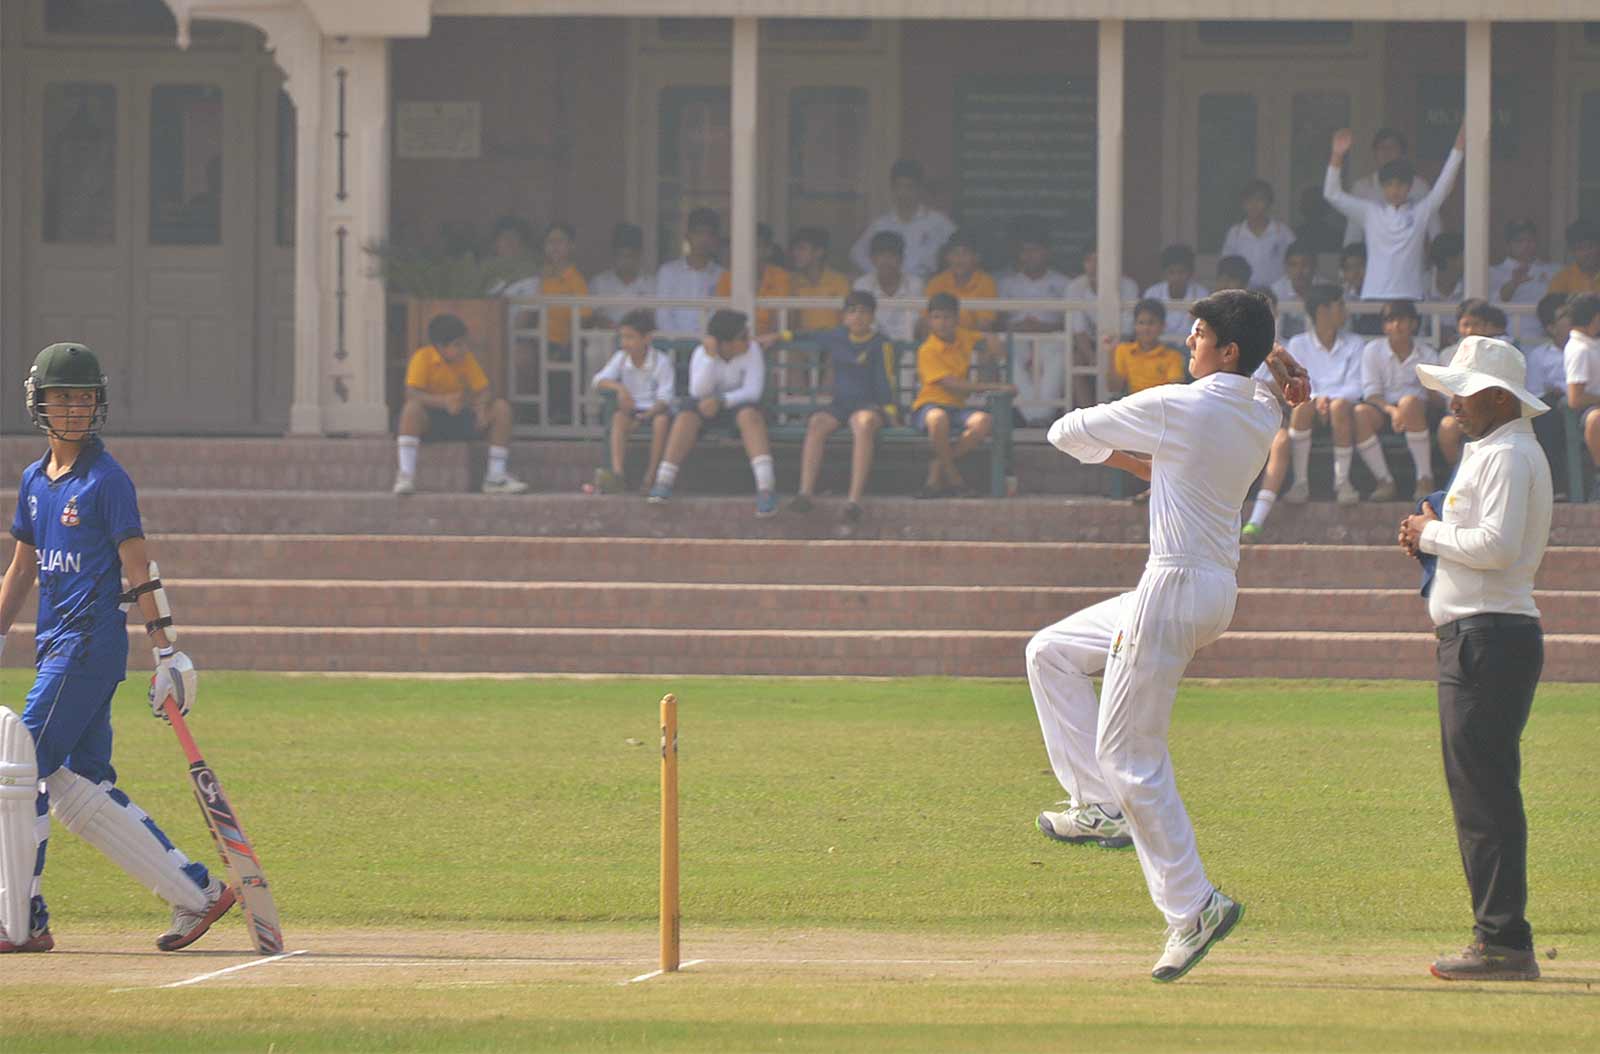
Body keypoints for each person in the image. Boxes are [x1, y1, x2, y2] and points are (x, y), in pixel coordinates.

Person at [1027, 290, 1309, 982]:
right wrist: (1290, 382)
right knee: (1051, 652)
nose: (1189, 341)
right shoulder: (1260, 406)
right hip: (1213, 588)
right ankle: (1095, 807)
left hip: (1174, 587)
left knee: (1130, 754)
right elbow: (1290, 395)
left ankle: (1194, 906)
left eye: (1200, 333)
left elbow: (1065, 431)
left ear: (1228, 350)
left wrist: (1133, 460)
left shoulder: (1179, 406)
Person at [0, 343, 236, 955]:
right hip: (55, 646)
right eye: (62, 398)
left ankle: (20, 918)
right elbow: (20, 572)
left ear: (98, 405)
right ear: (40, 404)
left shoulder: (107, 480)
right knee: (78, 785)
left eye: (84, 398)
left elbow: (140, 567)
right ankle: (199, 893)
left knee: (16, 765)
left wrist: (168, 652)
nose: (74, 410)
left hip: (89, 645)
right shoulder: (32, 482)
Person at [1399, 336, 1553, 981]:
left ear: (1497, 396)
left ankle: (1503, 942)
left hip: (1487, 638)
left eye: (1463, 392)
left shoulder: (1512, 454)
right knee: (1481, 791)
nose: (1453, 403)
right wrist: (1435, 534)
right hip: (1481, 635)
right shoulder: (1495, 450)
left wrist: (1427, 533)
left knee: (1484, 795)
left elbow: (1494, 546)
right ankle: (1500, 937)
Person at [648, 310, 779, 518]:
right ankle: (663, 481)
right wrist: (711, 359)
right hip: (706, 407)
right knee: (685, 417)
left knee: (750, 417)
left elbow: (753, 391)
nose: (748, 340)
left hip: (739, 406)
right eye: (742, 337)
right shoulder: (702, 353)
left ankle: (766, 488)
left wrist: (722, 400)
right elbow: (697, 391)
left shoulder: (753, 350)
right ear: (724, 343)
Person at [786, 292, 898, 523]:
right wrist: (778, 335)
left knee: (862, 424)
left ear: (872, 317)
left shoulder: (880, 344)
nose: (858, 317)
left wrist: (891, 412)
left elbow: (887, 381)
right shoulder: (836, 336)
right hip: (841, 405)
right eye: (852, 311)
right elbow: (806, 334)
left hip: (870, 406)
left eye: (864, 312)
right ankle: (805, 493)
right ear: (844, 316)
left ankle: (853, 501)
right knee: (817, 422)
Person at [1323, 126, 1464, 301]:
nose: (1395, 190)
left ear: (1410, 187)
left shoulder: (1420, 212)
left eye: (1400, 185)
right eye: (1389, 185)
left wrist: (1459, 147)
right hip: (1373, 296)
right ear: (1382, 188)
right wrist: (1337, 156)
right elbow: (1332, 194)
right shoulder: (1370, 212)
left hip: (1410, 297)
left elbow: (1444, 186)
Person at [394, 314, 528, 496]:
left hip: (461, 418)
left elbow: (485, 389)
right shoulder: (422, 358)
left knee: (501, 408)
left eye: (465, 344)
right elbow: (411, 393)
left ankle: (496, 477)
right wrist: (442, 402)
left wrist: (481, 406)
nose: (463, 349)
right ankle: (406, 476)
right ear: (441, 347)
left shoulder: (466, 359)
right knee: (411, 409)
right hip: (431, 421)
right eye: (457, 345)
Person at [911, 292, 1014, 497]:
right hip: (929, 406)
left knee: (983, 421)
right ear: (929, 320)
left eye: (947, 317)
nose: (942, 323)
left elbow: (997, 349)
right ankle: (954, 477)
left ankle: (937, 469)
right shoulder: (927, 350)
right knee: (938, 418)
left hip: (957, 408)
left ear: (957, 319)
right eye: (936, 317)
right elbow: (952, 385)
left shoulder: (963, 336)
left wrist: (990, 339)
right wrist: (994, 387)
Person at [1282, 283, 1377, 503]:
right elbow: (1296, 382)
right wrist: (1317, 399)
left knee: (1339, 406)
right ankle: (1300, 483)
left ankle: (1342, 482)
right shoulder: (1298, 344)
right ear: (1322, 311)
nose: (1345, 310)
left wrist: (1329, 399)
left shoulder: (1355, 343)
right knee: (1302, 405)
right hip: (1309, 403)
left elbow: (1356, 386)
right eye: (1340, 305)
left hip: (1342, 407)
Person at [1360, 300, 1441, 499]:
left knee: (1409, 403)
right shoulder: (1372, 351)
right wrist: (1392, 411)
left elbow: (1436, 398)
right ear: (1384, 326)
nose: (1396, 325)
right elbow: (1371, 393)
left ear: (1413, 324)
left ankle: (1424, 478)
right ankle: (1384, 481)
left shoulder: (1427, 354)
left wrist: (1426, 392)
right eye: (1390, 320)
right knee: (1359, 414)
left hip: (1419, 413)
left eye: (1402, 320)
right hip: (1384, 410)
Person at [590, 309, 675, 495]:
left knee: (661, 422)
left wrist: (648, 415)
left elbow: (665, 397)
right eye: (623, 337)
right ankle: (618, 475)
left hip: (654, 411)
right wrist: (620, 389)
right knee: (618, 419)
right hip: (630, 411)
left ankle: (651, 476)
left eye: (630, 337)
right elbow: (598, 380)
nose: (625, 343)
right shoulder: (620, 358)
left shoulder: (661, 362)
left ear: (646, 339)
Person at [1000, 219, 1072, 424]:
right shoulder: (1007, 283)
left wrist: (1045, 327)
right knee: (1008, 359)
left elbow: (1069, 322)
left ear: (1046, 252)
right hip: (1018, 338)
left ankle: (1044, 413)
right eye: (1025, 251)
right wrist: (1019, 327)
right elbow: (999, 321)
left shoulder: (1062, 282)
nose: (1030, 256)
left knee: (1058, 359)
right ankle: (1031, 415)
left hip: (1052, 338)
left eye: (1035, 250)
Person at [849, 158, 958, 279]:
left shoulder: (938, 222)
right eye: (898, 187)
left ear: (919, 188)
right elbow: (856, 253)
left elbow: (960, 248)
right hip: (889, 289)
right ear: (892, 188)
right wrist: (878, 273)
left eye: (909, 187)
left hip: (925, 288)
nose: (902, 193)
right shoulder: (881, 224)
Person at [1437, 301, 1512, 473]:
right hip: (1457, 414)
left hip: (1491, 413)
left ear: (1486, 327)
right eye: (1465, 325)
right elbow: (1445, 393)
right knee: (1447, 429)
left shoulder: (1498, 352)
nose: (1470, 330)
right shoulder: (1447, 354)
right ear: (1458, 327)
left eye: (1476, 324)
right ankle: (1461, 474)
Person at [1340, 127, 1442, 246]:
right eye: (1381, 148)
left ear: (1402, 152)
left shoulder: (1419, 186)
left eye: (1392, 147)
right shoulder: (1362, 187)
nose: (1386, 152)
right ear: (1375, 153)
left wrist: (1438, 263)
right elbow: (1353, 232)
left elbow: (1435, 229)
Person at [655, 208, 725, 335]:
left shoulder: (722, 275)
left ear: (715, 239)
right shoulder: (668, 272)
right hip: (673, 346)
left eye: (709, 234)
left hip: (709, 346)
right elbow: (663, 314)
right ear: (687, 236)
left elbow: (718, 315)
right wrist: (679, 342)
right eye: (698, 233)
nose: (704, 239)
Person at [1489, 220, 1559, 343]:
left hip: (1545, 338)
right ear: (1508, 245)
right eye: (1519, 241)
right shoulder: (1493, 272)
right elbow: (1493, 302)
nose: (1526, 245)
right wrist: (1514, 283)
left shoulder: (1553, 270)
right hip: (1507, 338)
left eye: (1530, 240)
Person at [714, 223, 790, 334]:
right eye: (743, 245)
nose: (748, 251)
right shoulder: (727, 277)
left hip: (771, 344)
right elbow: (724, 317)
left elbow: (781, 318)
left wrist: (767, 338)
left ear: (768, 250)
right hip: (735, 342)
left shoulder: (780, 276)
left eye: (755, 245)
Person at [1220, 179, 1295, 288]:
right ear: (1243, 204)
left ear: (1269, 203)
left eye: (1260, 200)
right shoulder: (1235, 233)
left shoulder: (1283, 232)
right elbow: (1227, 266)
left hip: (1277, 292)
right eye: (1249, 200)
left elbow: (1296, 262)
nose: (1254, 205)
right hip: (1245, 292)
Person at [853, 230, 923, 344]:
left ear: (901, 258)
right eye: (881, 256)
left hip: (908, 349)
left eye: (891, 256)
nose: (886, 261)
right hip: (871, 350)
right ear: (872, 259)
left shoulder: (916, 285)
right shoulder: (862, 285)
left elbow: (922, 324)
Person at [1106, 298, 1185, 398]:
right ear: (1134, 326)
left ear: (1162, 326)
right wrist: (1110, 353)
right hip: (1132, 406)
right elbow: (1113, 388)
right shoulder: (1123, 350)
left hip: (1160, 407)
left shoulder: (1173, 356)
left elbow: (1176, 394)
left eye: (1151, 323)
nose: (1145, 328)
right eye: (1141, 323)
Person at [1564, 292, 1600, 496]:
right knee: (1597, 419)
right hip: (1588, 412)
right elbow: (1575, 398)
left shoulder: (1593, 343)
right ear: (1594, 318)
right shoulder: (1579, 349)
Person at [926, 230, 999, 332]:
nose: (959, 259)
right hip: (941, 343)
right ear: (947, 257)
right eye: (954, 253)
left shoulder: (987, 283)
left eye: (965, 253)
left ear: (976, 257)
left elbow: (984, 325)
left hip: (973, 344)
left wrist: (961, 341)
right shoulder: (936, 283)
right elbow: (926, 322)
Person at [589, 223, 656, 327]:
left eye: (630, 256)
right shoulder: (599, 283)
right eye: (621, 255)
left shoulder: (652, 284)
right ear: (614, 255)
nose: (626, 261)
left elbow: (655, 318)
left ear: (639, 255)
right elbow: (591, 317)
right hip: (606, 340)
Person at [536, 222, 590, 351]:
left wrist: (566, 346)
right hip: (538, 342)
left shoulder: (576, 280)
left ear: (571, 246)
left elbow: (583, 318)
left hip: (564, 347)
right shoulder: (538, 278)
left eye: (560, 241)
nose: (555, 246)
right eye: (550, 241)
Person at [786, 227, 850, 333]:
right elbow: (791, 323)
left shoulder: (839, 281)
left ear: (818, 252)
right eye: (794, 249)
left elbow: (847, 321)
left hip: (833, 342)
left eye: (802, 249)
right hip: (802, 342)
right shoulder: (792, 281)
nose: (795, 253)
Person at [1143, 244, 1210, 343]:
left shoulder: (1201, 294)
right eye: (1171, 272)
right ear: (1164, 274)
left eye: (1181, 272)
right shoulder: (1152, 294)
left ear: (1190, 273)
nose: (1176, 277)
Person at [1270, 241, 1321, 339]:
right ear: (1286, 266)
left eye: (1305, 264)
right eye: (1293, 265)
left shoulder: (1327, 290)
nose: (1299, 271)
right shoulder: (1275, 292)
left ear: (1314, 266)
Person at [1547, 219, 1600, 296]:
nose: (1587, 253)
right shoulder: (1562, 279)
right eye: (1580, 248)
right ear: (1572, 252)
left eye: (1590, 246)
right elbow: (1551, 306)